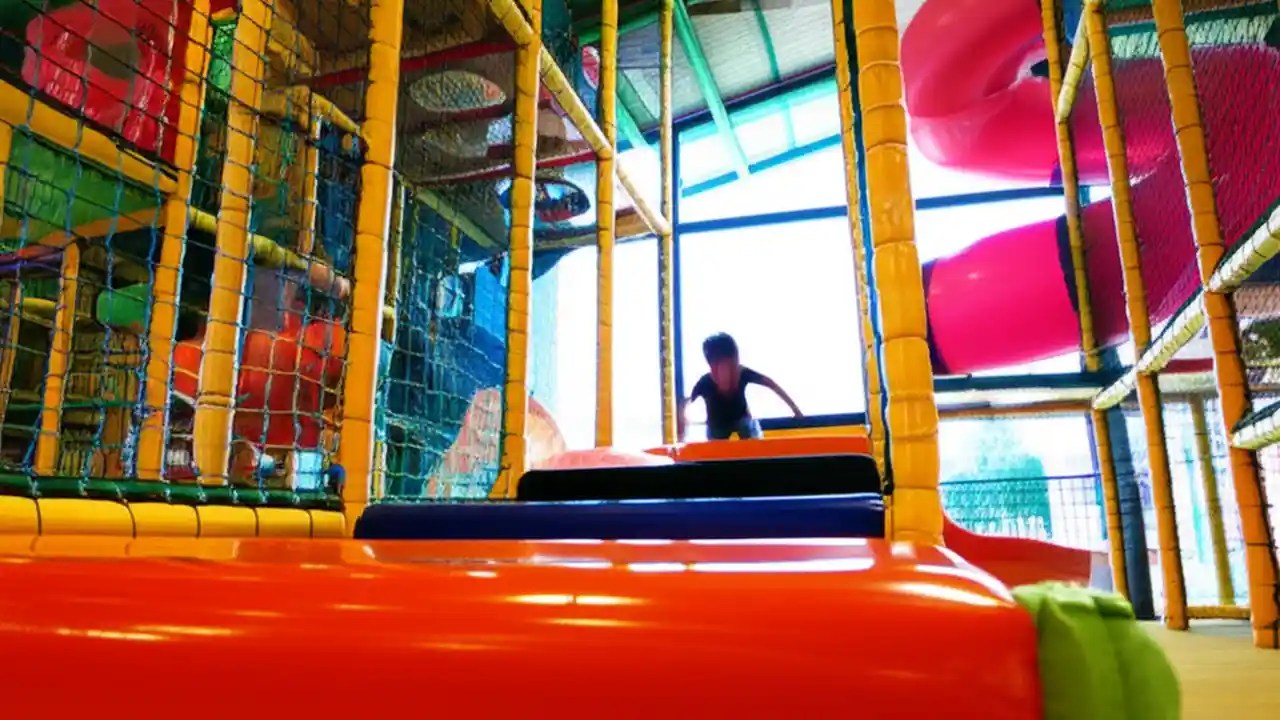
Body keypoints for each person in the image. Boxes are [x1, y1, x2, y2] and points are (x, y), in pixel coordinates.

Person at [678, 332, 802, 441]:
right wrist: (682, 427)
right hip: (717, 425)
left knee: (748, 426)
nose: (730, 376)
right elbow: (685, 402)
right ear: (713, 369)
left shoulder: (743, 373)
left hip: (742, 420)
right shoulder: (704, 383)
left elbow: (771, 384)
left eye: (733, 368)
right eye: (725, 369)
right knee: (716, 435)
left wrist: (795, 410)